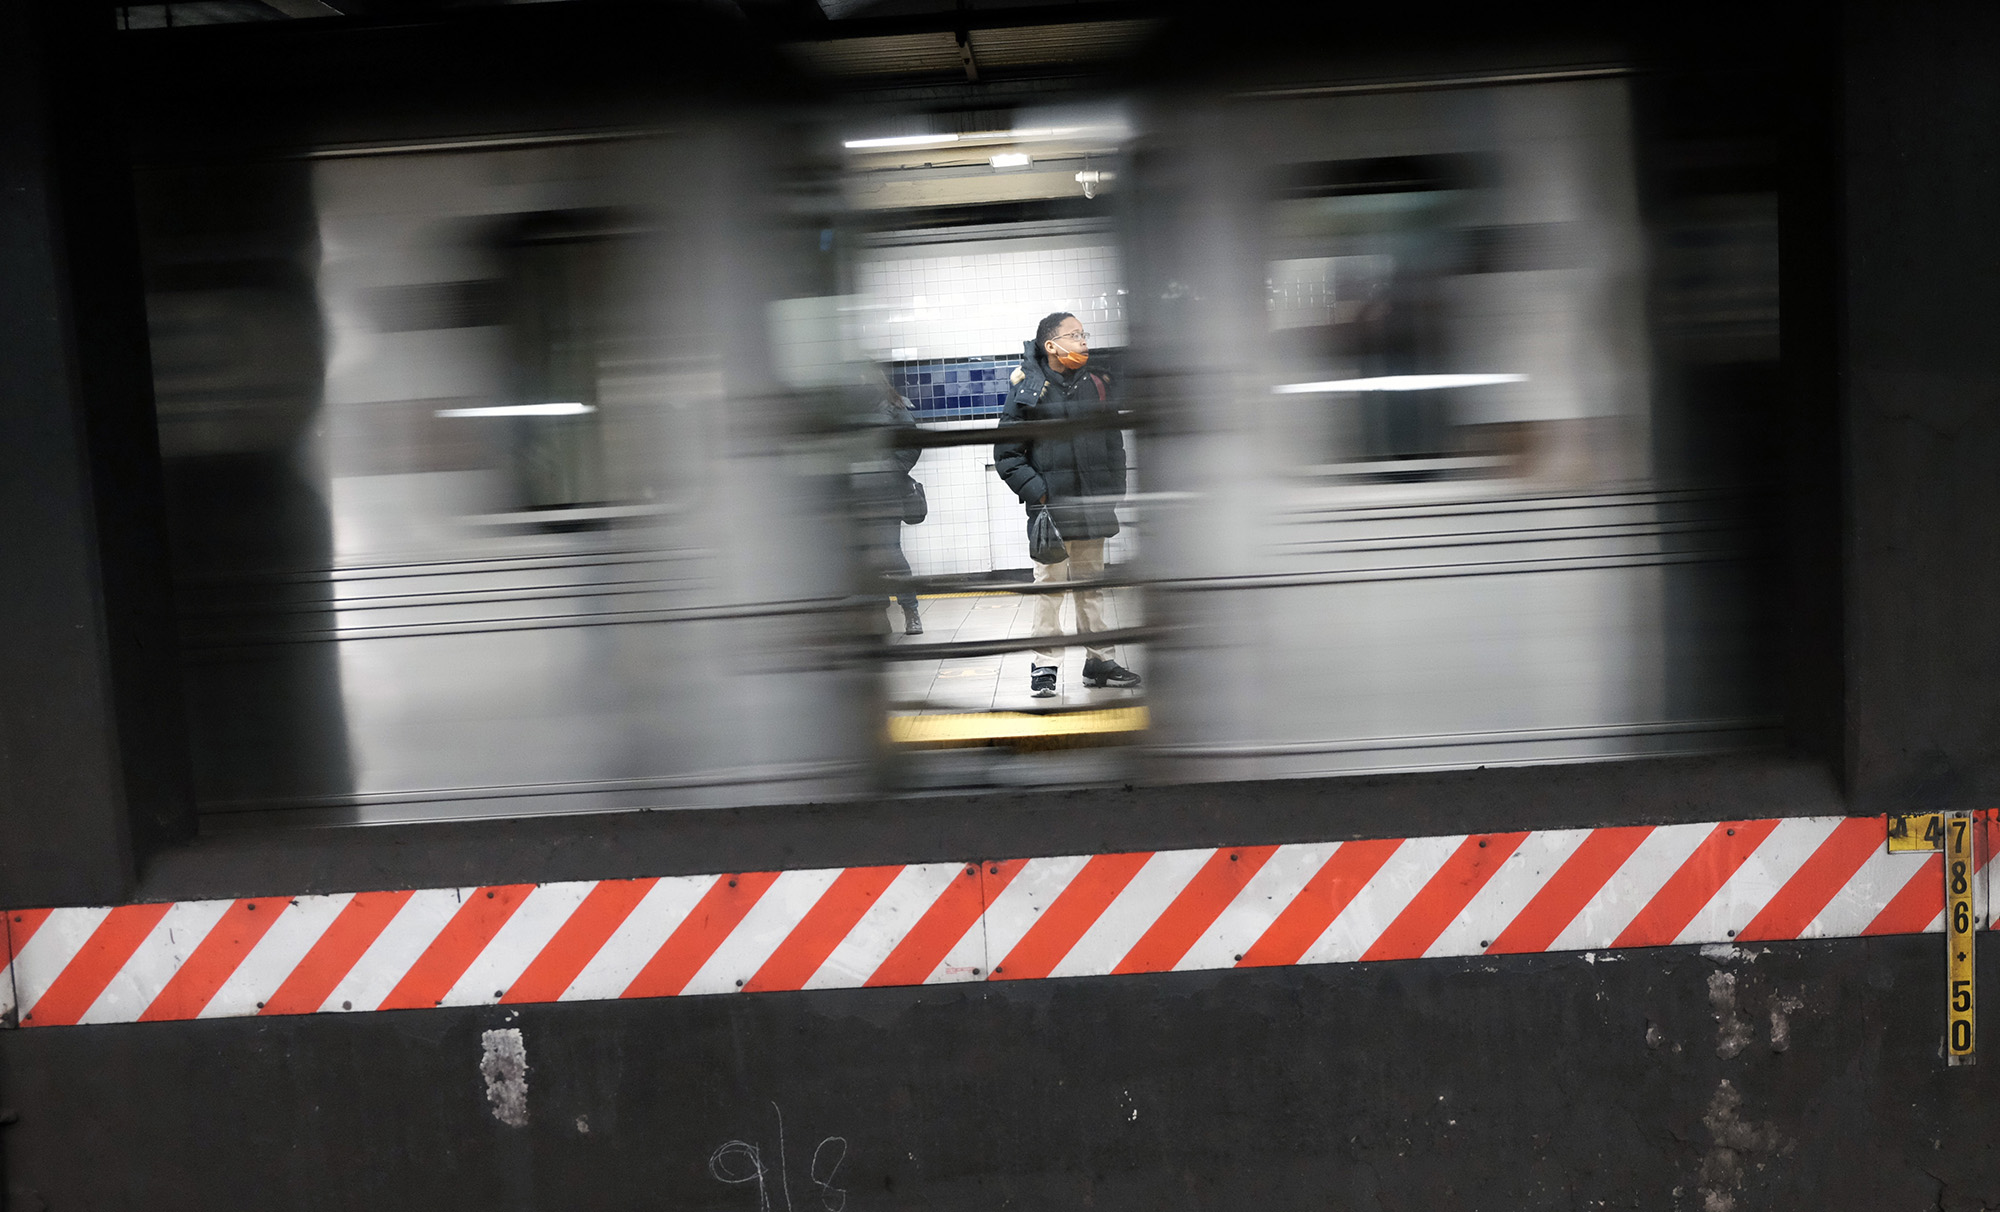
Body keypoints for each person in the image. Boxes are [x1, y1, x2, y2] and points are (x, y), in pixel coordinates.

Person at [993, 312, 1142, 698]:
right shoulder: (1027, 389)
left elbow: (1114, 444)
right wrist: (1039, 492)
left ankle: (1099, 662)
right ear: (1051, 345)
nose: (1083, 342)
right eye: (1073, 335)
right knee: (1049, 590)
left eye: (1083, 334)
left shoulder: (1097, 385)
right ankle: (1045, 665)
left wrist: (1114, 491)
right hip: (1051, 512)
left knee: (1091, 588)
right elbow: (1008, 455)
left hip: (1093, 506)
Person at [857, 366, 925, 635]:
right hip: (857, 494)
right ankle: (878, 614)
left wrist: (891, 469)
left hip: (886, 492)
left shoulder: (894, 407)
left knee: (891, 553)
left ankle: (911, 610)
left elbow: (912, 444)